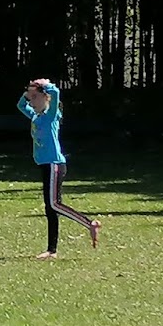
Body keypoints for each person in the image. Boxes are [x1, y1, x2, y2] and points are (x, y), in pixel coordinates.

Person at [18, 77, 100, 255]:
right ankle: (51, 250)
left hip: (55, 164)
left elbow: (55, 93)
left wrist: (45, 84)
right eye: (31, 98)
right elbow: (20, 105)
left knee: (54, 204)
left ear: (44, 97)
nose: (31, 101)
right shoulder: (35, 116)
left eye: (35, 97)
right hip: (45, 165)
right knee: (50, 208)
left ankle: (90, 224)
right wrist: (28, 92)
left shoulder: (51, 115)